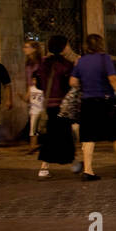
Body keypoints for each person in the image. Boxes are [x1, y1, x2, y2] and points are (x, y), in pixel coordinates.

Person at [70, 33, 116, 180]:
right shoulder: (104, 58)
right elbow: (113, 79)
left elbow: (72, 82)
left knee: (88, 137)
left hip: (87, 103)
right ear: (100, 44)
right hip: (105, 101)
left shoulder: (80, 61)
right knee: (115, 135)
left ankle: (88, 170)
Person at [36, 36, 77, 178]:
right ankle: (71, 163)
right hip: (62, 104)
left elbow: (38, 84)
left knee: (52, 134)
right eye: (67, 45)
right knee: (64, 134)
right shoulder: (66, 65)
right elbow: (70, 84)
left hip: (48, 104)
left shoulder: (43, 64)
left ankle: (45, 167)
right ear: (63, 47)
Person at [23, 40, 45, 152]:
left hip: (42, 90)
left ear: (34, 49)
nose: (24, 49)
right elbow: (29, 79)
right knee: (33, 116)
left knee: (43, 117)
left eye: (27, 47)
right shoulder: (28, 63)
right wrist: (28, 92)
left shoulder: (42, 61)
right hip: (33, 91)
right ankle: (33, 144)